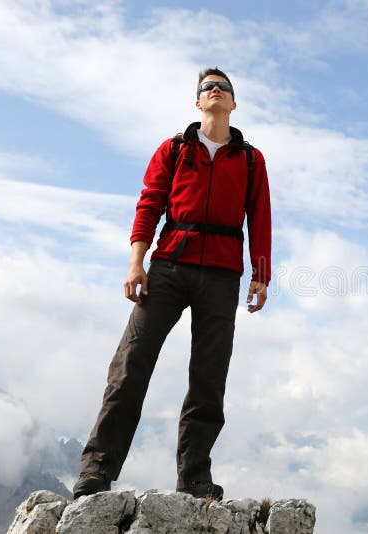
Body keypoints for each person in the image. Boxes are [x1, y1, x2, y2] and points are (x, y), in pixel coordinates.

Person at [72, 67, 271, 501]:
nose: (215, 91)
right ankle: (96, 471)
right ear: (197, 103)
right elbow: (149, 203)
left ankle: (195, 477)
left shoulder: (252, 160)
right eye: (207, 88)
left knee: (209, 377)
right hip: (168, 267)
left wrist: (261, 274)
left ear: (234, 104)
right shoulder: (174, 149)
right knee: (130, 363)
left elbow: (260, 219)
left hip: (222, 276)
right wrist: (135, 262)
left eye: (223, 88)